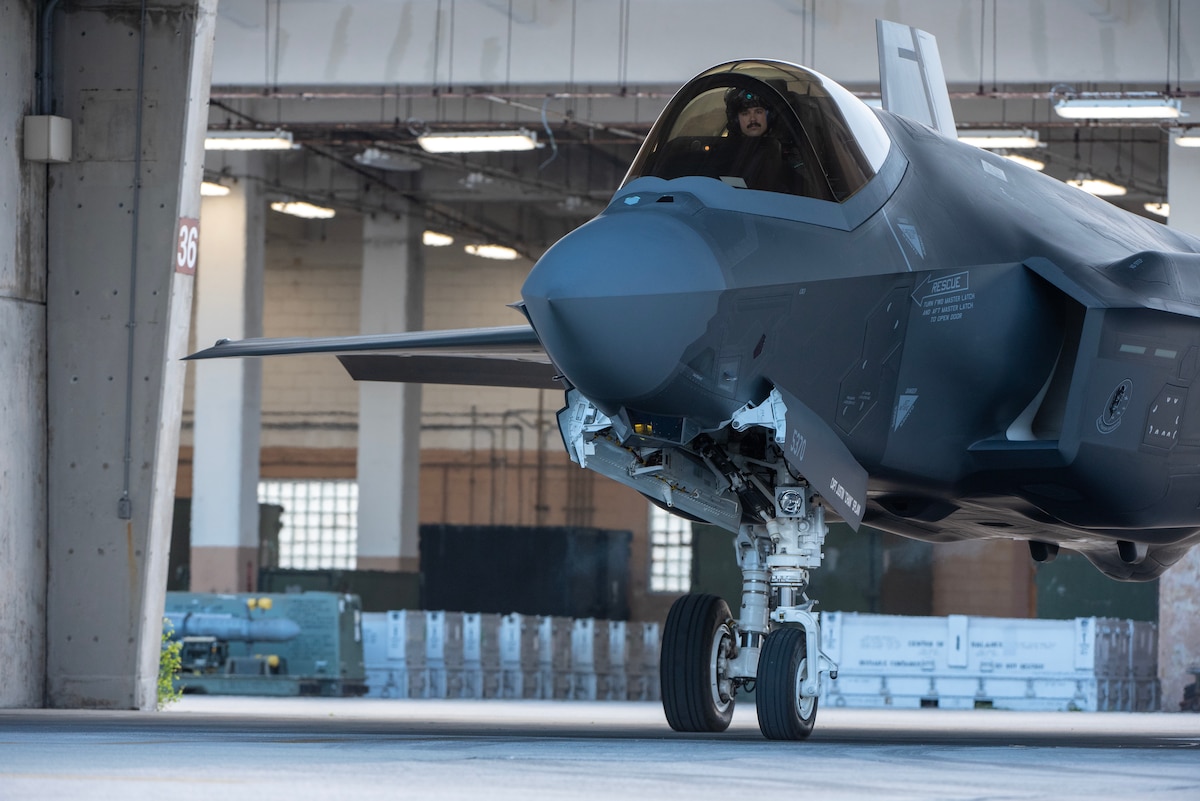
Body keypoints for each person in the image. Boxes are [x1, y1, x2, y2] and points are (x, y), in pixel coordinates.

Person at [723, 88, 784, 191]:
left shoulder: (786, 154)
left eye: (758, 112)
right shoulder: (725, 155)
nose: (753, 119)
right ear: (736, 120)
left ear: (769, 116)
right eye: (745, 113)